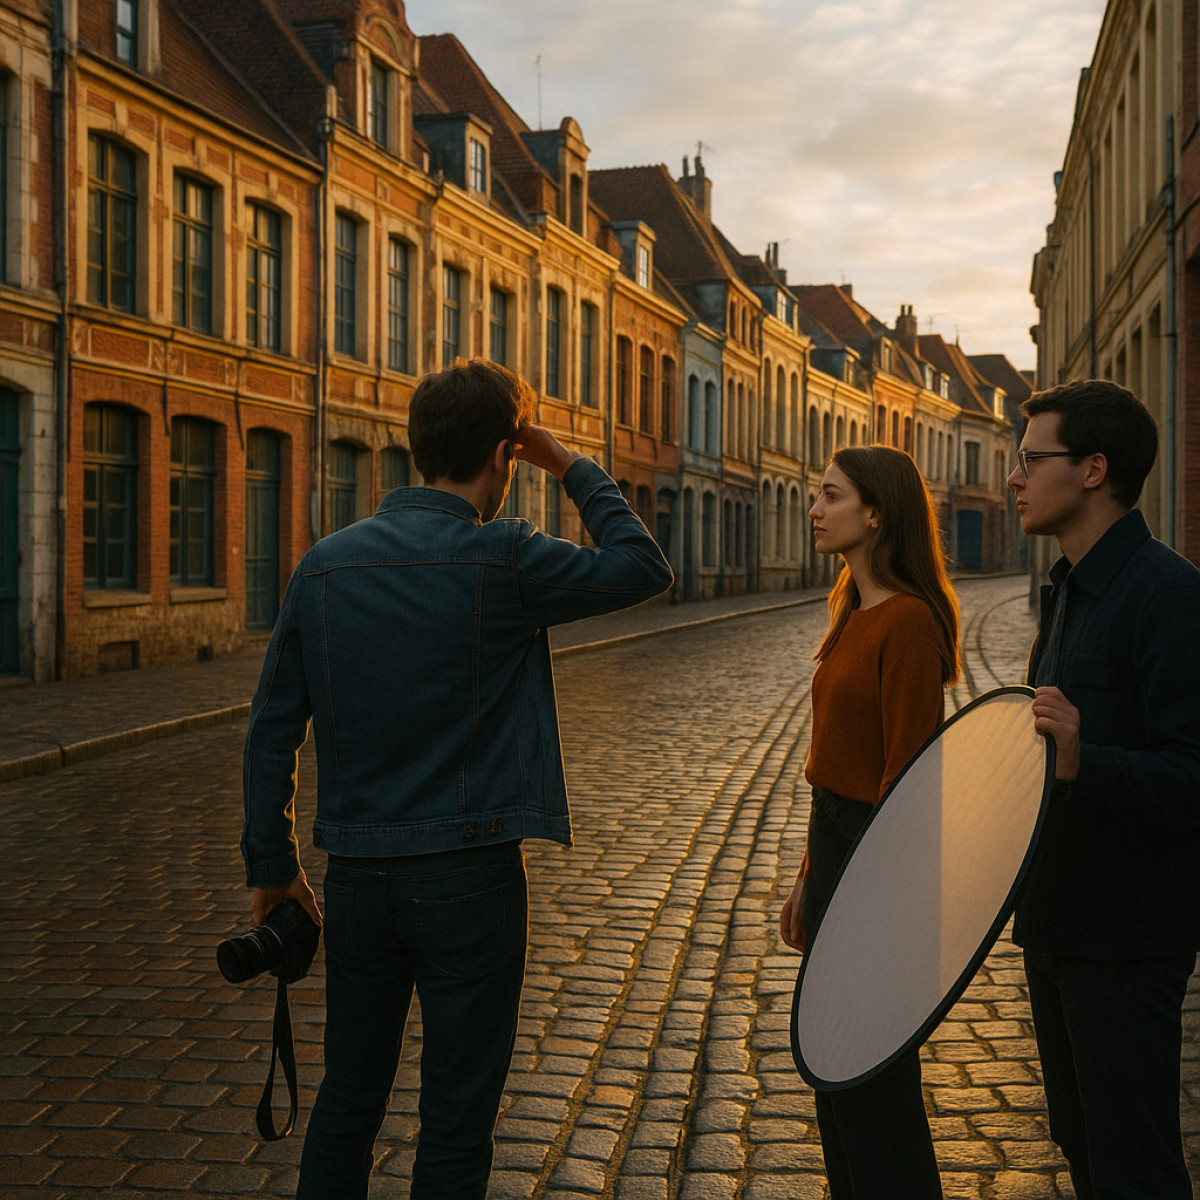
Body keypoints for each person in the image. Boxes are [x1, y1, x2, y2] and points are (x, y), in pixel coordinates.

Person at [239, 359, 673, 1200]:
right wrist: (574, 466)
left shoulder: (323, 565)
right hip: (471, 878)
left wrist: (272, 865)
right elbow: (642, 567)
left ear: (417, 444)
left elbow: (269, 730)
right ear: (504, 456)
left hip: (358, 881)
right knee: (455, 1118)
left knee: (347, 1102)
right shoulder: (507, 558)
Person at [1007, 378, 1200, 1200]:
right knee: (1084, 1146)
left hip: (1128, 936)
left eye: (1029, 460)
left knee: (1135, 1163)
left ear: (1093, 469)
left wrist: (1092, 760)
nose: (1013, 478)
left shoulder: (1167, 594)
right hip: (1057, 925)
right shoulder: (1067, 590)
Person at [780, 445, 959, 1199]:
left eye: (830, 496)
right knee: (837, 1093)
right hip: (836, 857)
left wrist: (862, 907)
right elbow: (834, 767)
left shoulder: (909, 623)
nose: (815, 509)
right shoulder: (852, 610)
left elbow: (907, 783)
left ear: (877, 511)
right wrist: (806, 880)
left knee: (875, 1103)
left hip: (875, 874)